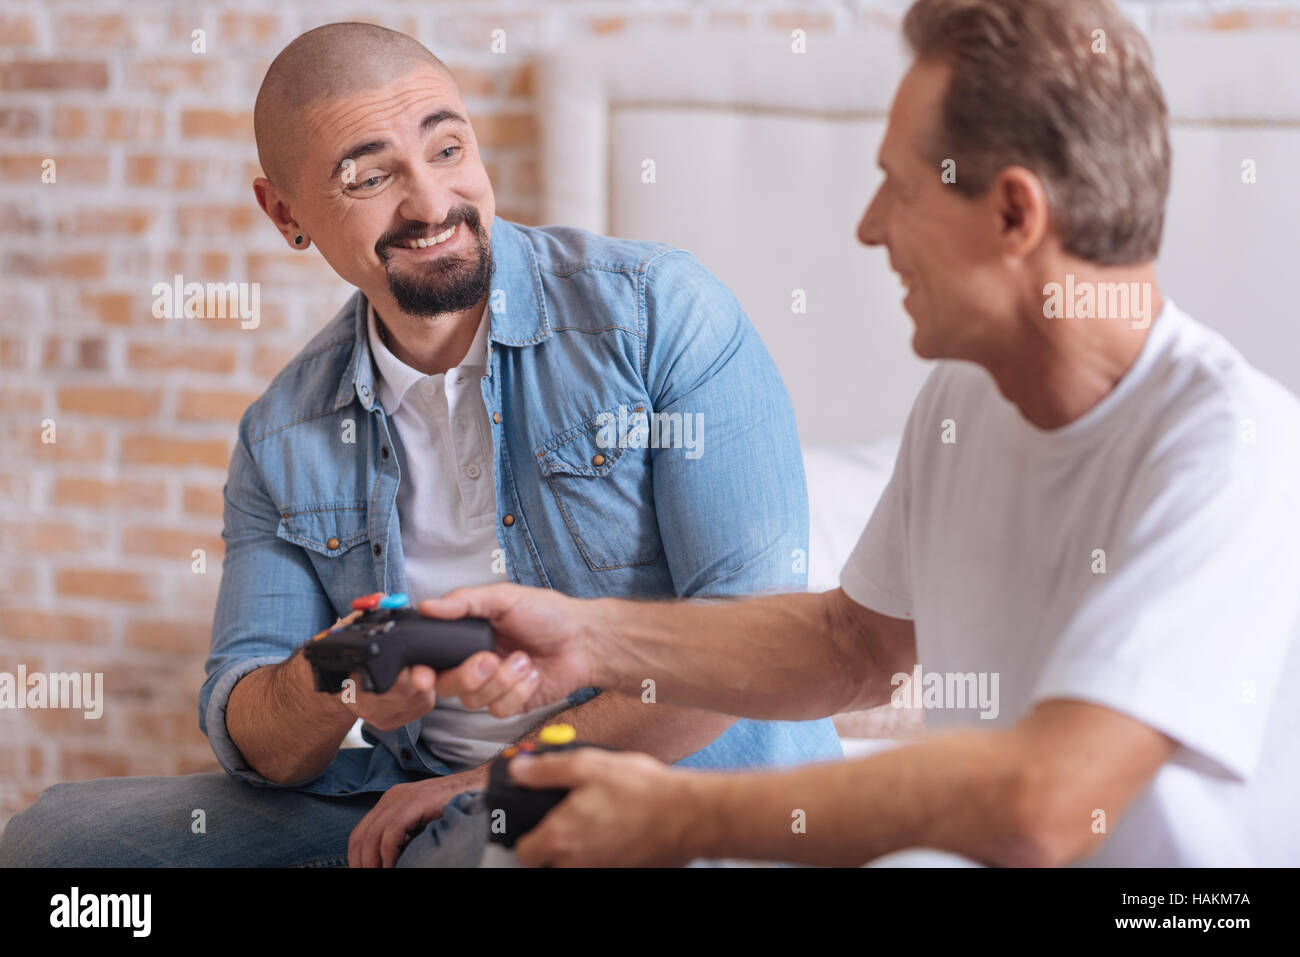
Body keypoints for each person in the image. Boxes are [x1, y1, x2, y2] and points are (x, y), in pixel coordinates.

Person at [419, 0, 1300, 867]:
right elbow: (856, 646)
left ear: (1013, 215)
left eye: (901, 186)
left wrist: (687, 815)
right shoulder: (966, 397)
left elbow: (1047, 802)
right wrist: (589, 635)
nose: (870, 226)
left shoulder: (1230, 447)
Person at [0, 22, 841, 869]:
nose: (433, 205)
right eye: (369, 176)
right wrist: (338, 677)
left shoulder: (659, 314)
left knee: (466, 852)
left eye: (447, 149)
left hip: (668, 783)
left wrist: (493, 781)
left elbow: (751, 644)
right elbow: (258, 731)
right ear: (285, 212)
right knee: (57, 844)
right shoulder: (283, 432)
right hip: (418, 793)